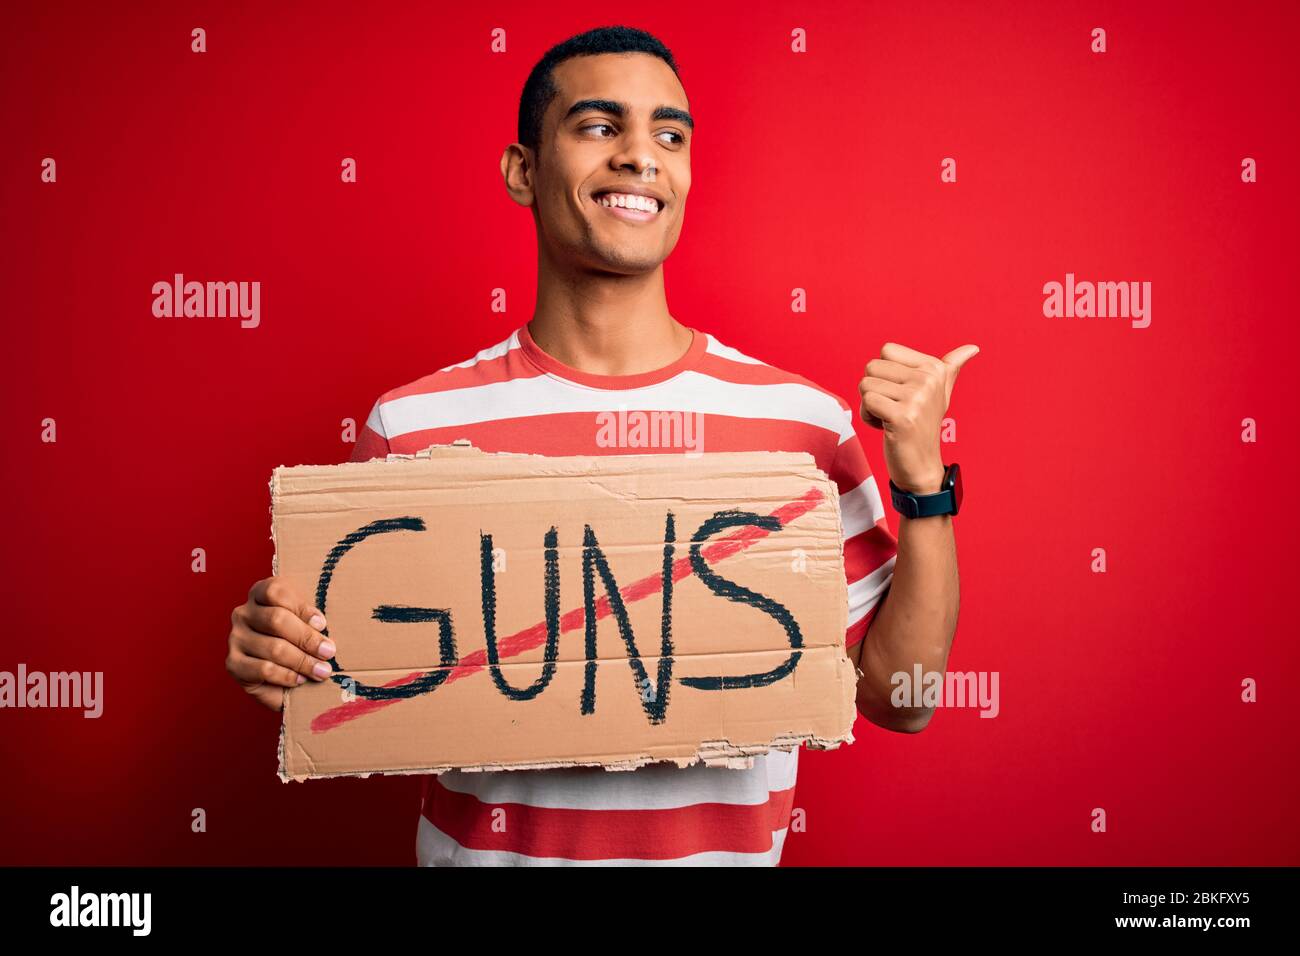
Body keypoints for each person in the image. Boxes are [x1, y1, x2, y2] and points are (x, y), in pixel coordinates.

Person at [225, 25, 975, 865]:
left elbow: (899, 700)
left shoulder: (799, 425)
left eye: (670, 135)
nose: (640, 156)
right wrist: (283, 650)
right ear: (522, 171)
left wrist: (923, 490)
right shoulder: (413, 429)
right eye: (597, 127)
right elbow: (349, 671)